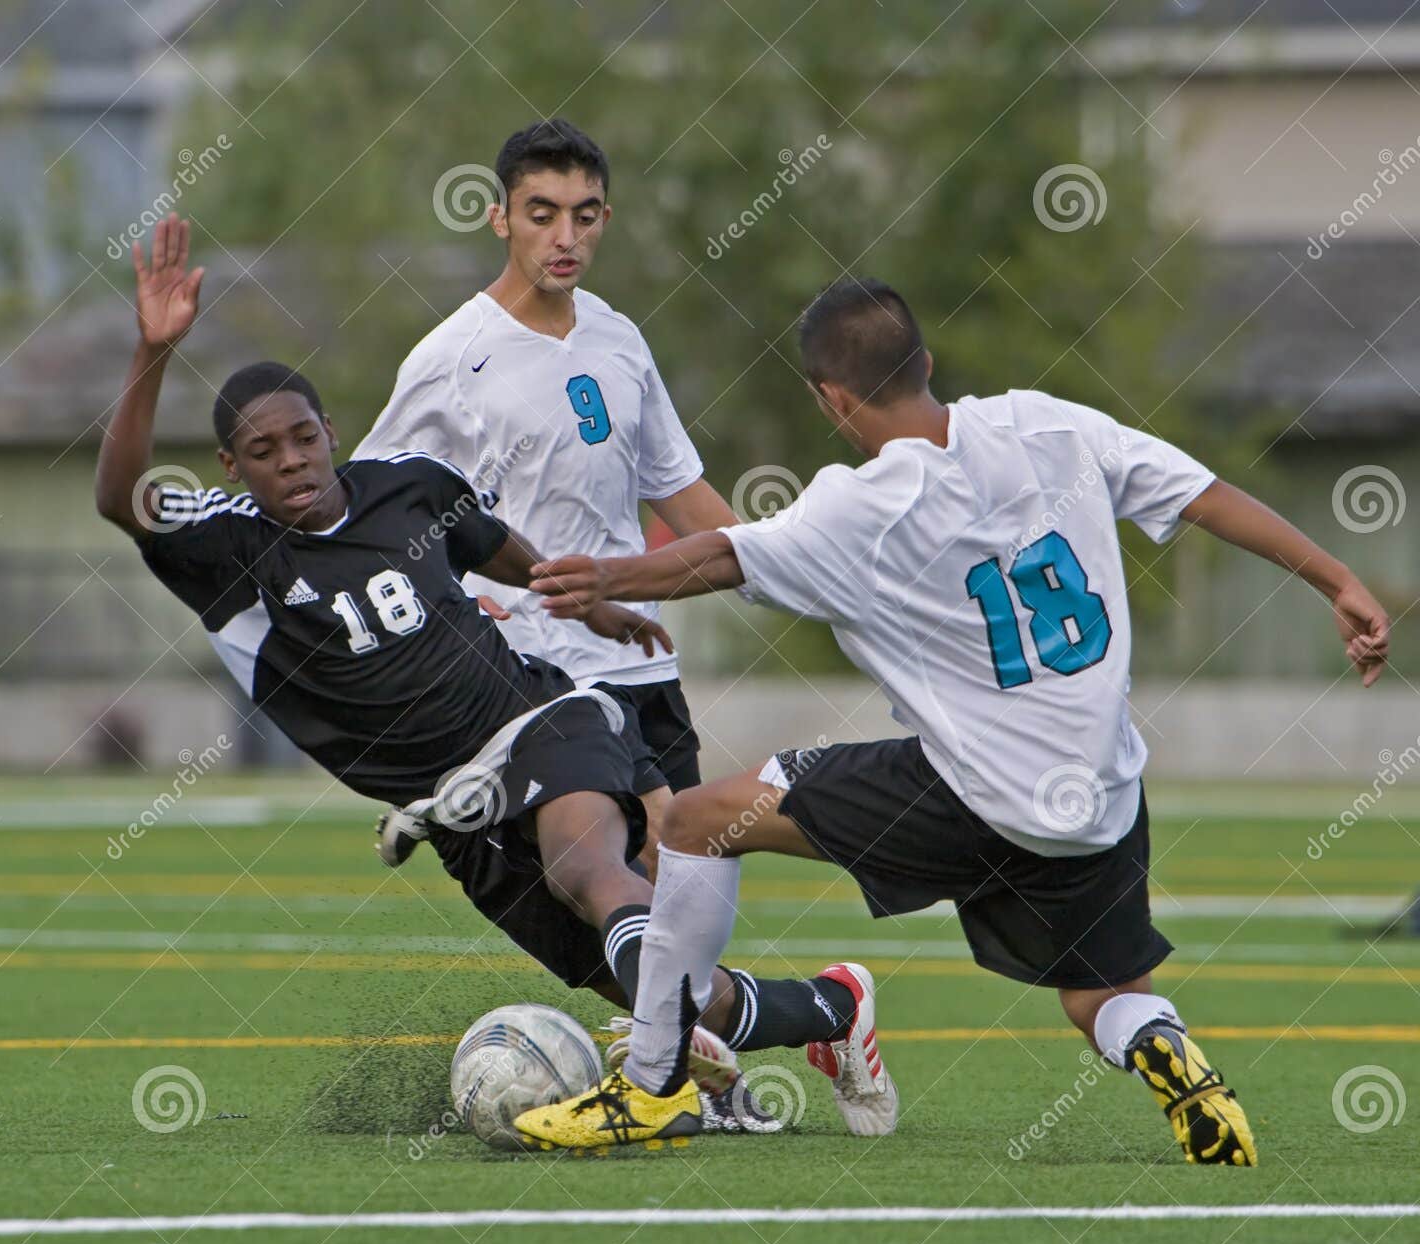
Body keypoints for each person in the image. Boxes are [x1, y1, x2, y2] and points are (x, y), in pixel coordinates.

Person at [515, 276, 1390, 1159]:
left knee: (701, 822)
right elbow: (1203, 494)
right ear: (927, 363)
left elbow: (720, 556)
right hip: (1099, 794)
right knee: (1103, 997)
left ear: (832, 398)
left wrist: (606, 577)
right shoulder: (1050, 426)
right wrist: (1338, 581)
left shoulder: (858, 508)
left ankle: (650, 1086)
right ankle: (1161, 1043)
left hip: (966, 796)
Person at [93, 215, 877, 1134]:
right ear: (233, 466)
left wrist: (592, 603)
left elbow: (496, 547)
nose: (291, 461)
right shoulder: (231, 547)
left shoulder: (405, 483)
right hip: (455, 812)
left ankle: (654, 1092)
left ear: (328, 431)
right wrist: (152, 352)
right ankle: (833, 1010)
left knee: (590, 868)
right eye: (263, 453)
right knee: (657, 980)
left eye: (302, 438)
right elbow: (120, 498)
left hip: (539, 719)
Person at [354, 119, 737, 873]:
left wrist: (789, 558)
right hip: (537, 665)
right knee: (632, 859)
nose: (566, 235)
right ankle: (473, 778)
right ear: (500, 218)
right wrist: (451, 602)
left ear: (606, 219)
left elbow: (683, 494)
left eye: (584, 214)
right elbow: (370, 516)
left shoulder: (620, 336)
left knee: (695, 876)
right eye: (542, 213)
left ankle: (463, 797)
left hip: (640, 657)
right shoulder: (451, 359)